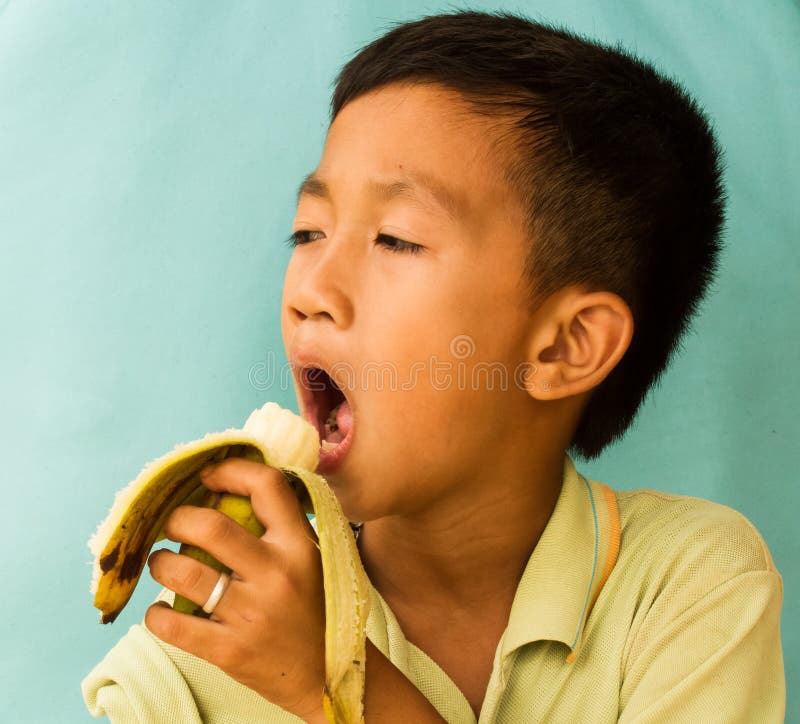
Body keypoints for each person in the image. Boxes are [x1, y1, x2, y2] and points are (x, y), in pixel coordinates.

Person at [82, 9, 785, 723]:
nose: (311, 292)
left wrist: (329, 668)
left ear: (566, 346)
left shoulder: (687, 583)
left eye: (395, 238)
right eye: (308, 231)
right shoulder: (195, 656)